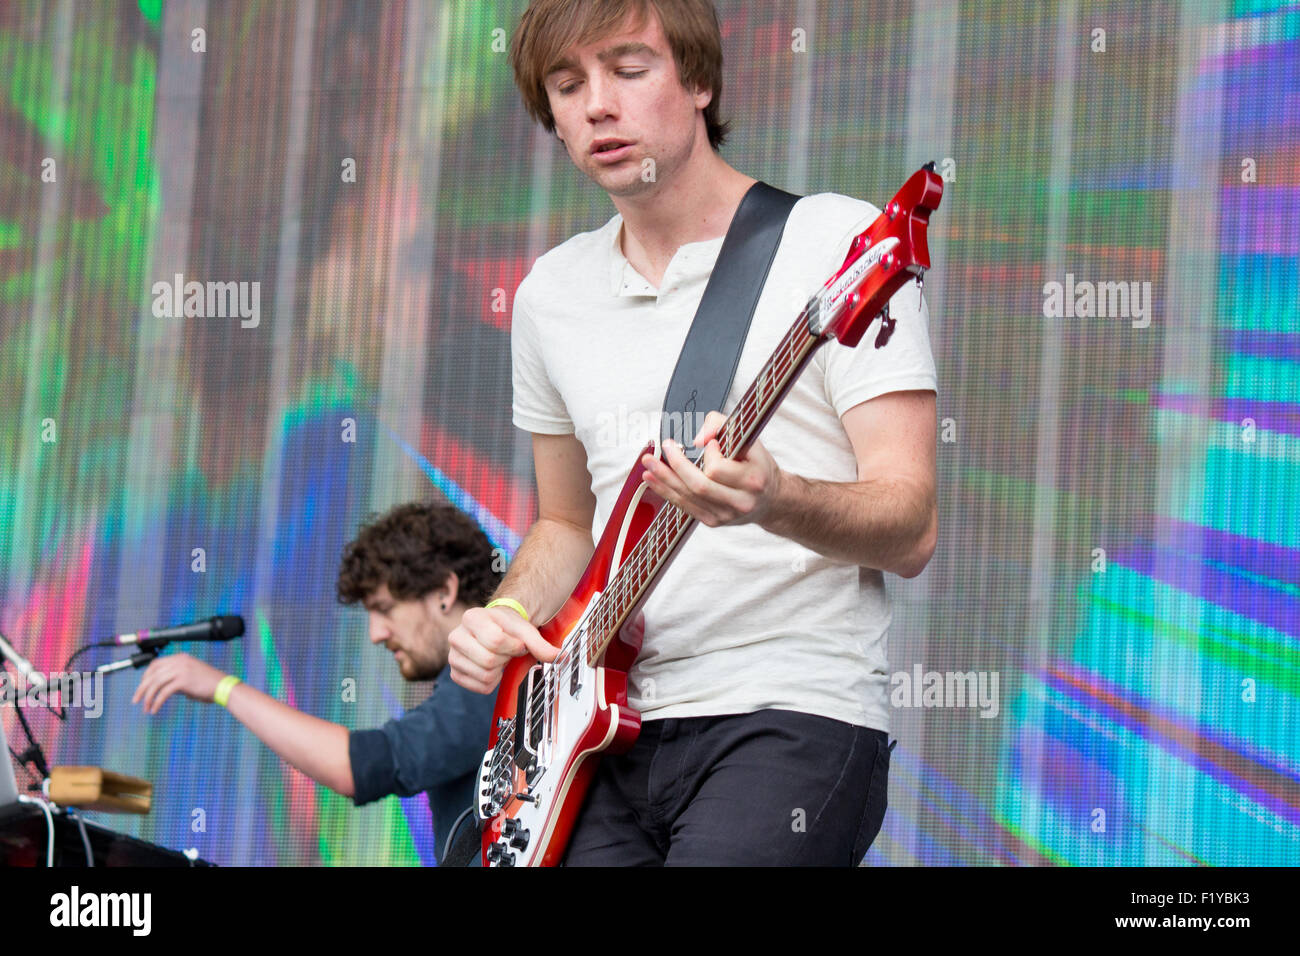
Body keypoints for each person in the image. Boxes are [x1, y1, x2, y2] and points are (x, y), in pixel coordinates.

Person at [449, 0, 938, 865]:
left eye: (628, 70)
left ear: (700, 82)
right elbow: (567, 524)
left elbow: (910, 527)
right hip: (597, 735)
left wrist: (776, 498)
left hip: (788, 710)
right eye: (568, 85)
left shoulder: (835, 240)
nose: (597, 103)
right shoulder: (549, 294)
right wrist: (507, 611)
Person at [132, 501, 500, 865]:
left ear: (444, 593)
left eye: (385, 609)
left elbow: (363, 764)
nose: (375, 634)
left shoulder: (492, 672)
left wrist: (223, 688)